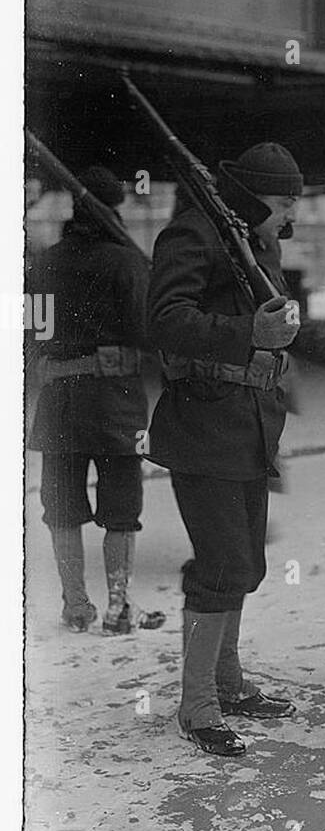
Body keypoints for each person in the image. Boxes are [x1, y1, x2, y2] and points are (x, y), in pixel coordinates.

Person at [147, 143, 303, 756]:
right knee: (220, 567)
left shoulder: (256, 244)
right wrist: (248, 332)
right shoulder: (192, 235)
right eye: (285, 201)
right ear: (255, 197)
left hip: (251, 425)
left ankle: (227, 682)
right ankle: (198, 704)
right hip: (204, 425)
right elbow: (164, 320)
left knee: (243, 565)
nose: (292, 214)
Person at [28, 165, 166, 635]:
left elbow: (33, 331)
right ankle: (118, 608)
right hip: (115, 403)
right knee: (122, 511)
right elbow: (146, 333)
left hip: (59, 403)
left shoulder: (44, 262)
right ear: (115, 209)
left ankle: (75, 606)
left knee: (62, 509)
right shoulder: (126, 263)